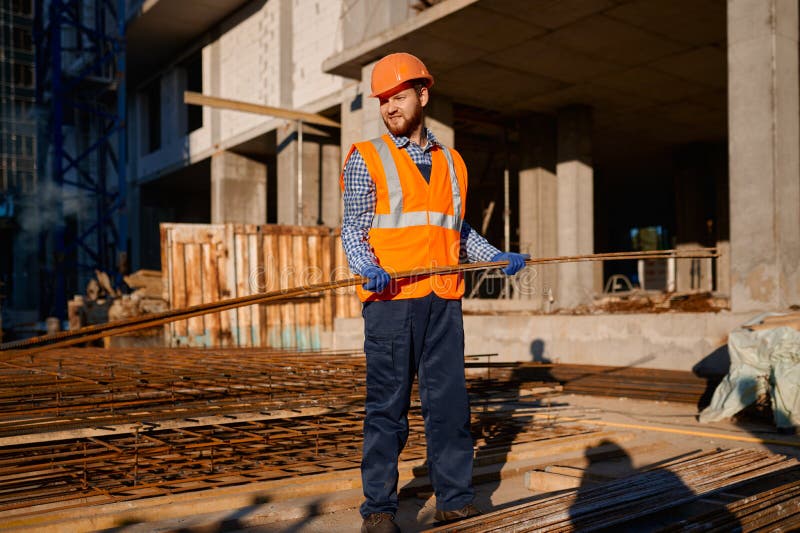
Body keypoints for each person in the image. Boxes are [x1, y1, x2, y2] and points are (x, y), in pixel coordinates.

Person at [340, 52, 529, 533]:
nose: (389, 108)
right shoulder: (367, 158)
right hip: (390, 302)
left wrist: (495, 256)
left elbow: (457, 230)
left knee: (449, 407)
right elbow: (353, 231)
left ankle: (455, 500)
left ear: (423, 95)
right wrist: (367, 268)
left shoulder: (453, 163)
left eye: (398, 97)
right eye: (383, 101)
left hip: (443, 299)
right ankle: (379, 510)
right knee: (387, 409)